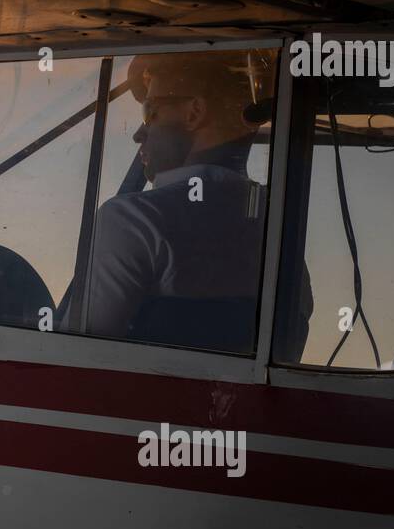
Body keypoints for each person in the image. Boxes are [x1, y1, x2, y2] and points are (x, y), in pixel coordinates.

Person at [75, 49, 274, 351]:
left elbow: (76, 354)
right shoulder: (279, 229)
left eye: (150, 112)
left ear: (194, 112)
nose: (139, 133)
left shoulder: (132, 220)